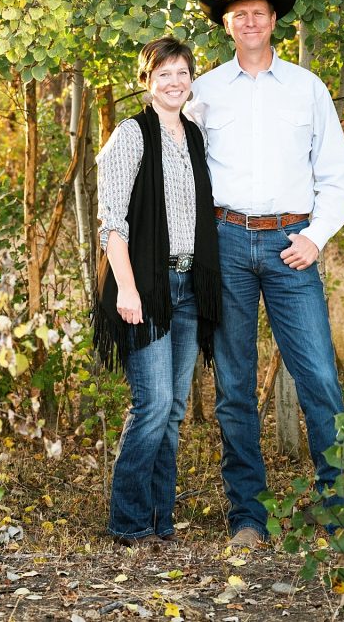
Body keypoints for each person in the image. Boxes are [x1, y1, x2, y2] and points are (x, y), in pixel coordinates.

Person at [189, 0, 344, 550]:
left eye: (260, 12)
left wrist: (316, 237)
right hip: (228, 243)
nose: (251, 21)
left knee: (318, 379)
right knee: (234, 386)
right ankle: (248, 519)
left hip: (293, 246)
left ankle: (338, 517)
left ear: (275, 19)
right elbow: (176, 161)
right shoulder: (204, 92)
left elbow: (339, 178)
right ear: (227, 24)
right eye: (240, 14)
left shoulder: (307, 88)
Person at [94, 37, 222, 547]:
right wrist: (127, 287)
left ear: (192, 79)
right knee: (153, 401)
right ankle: (127, 521)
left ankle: (158, 520)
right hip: (145, 286)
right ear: (146, 82)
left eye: (182, 73)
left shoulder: (194, 135)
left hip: (190, 286)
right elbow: (112, 223)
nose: (175, 82)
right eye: (163, 74)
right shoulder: (130, 134)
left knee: (173, 409)